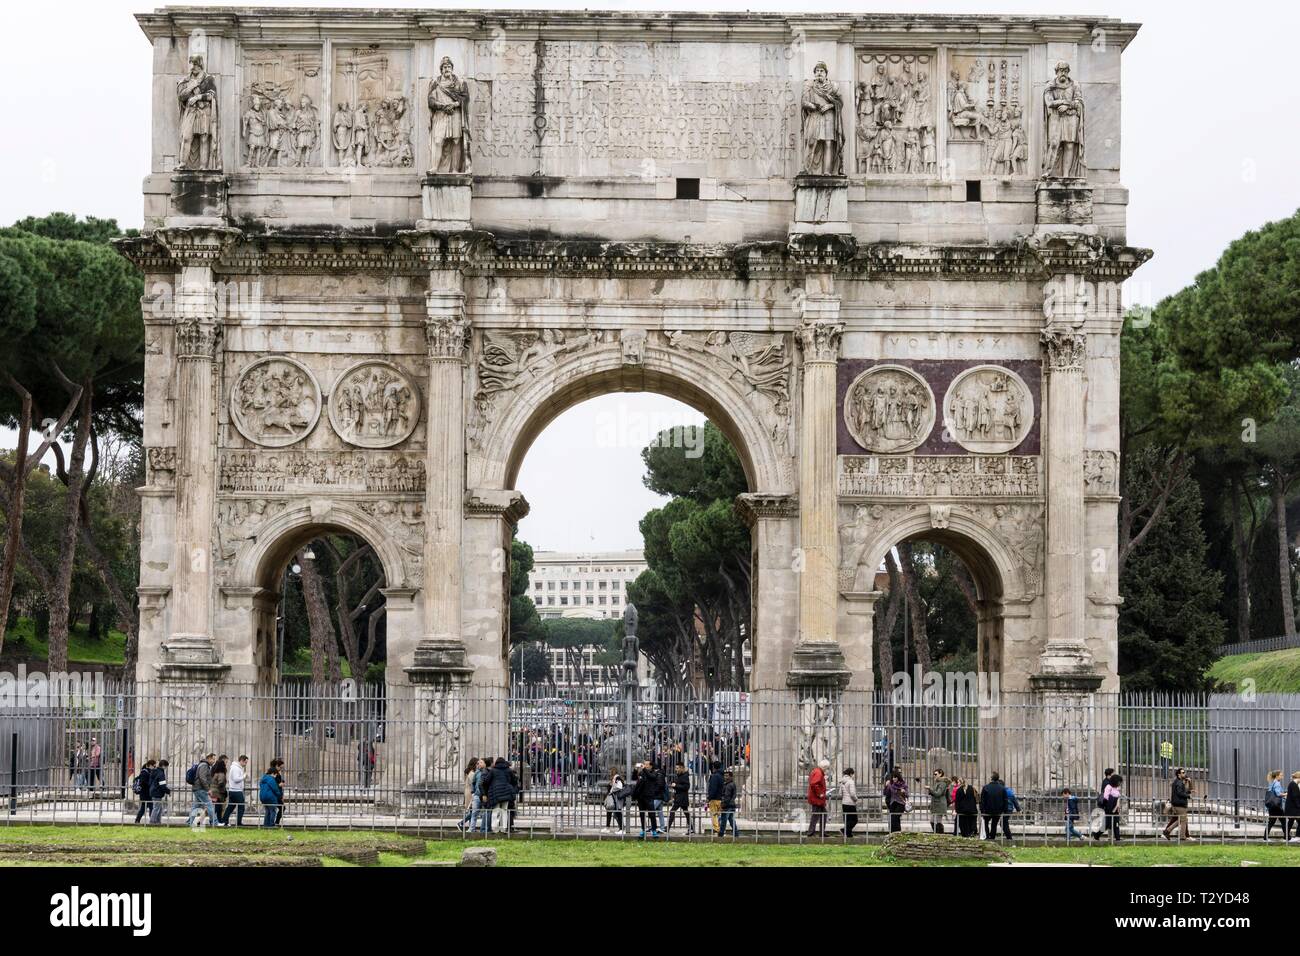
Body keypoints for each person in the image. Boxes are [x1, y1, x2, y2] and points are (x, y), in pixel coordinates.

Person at [185, 753, 218, 828]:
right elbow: (202, 778)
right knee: (209, 805)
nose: (214, 761)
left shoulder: (203, 765)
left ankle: (189, 822)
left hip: (197, 788)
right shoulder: (204, 765)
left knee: (195, 806)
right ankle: (214, 822)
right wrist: (208, 789)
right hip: (200, 789)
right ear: (208, 758)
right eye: (213, 759)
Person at [632, 759, 662, 839]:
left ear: (651, 766)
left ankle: (654, 830)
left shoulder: (654, 772)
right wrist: (635, 770)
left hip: (649, 796)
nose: (645, 765)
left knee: (652, 814)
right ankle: (643, 829)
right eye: (644, 764)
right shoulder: (642, 772)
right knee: (642, 814)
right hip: (641, 797)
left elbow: (651, 777)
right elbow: (634, 777)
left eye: (647, 764)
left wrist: (644, 769)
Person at [486, 756, 517, 833]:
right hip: (506, 792)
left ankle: (495, 828)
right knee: (504, 810)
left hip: (496, 793)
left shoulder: (493, 770)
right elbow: (514, 780)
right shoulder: (508, 770)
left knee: (496, 810)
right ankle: (503, 828)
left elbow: (486, 781)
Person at [1161, 767, 1191, 841]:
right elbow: (1180, 793)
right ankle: (1182, 837)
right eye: (1183, 773)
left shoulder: (1178, 782)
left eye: (1184, 772)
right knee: (1183, 820)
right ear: (1179, 774)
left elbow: (1183, 791)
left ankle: (1167, 831)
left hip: (1177, 804)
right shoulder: (1179, 782)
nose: (1184, 774)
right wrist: (1187, 796)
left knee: (1181, 819)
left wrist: (1188, 785)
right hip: (1180, 805)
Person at [805, 759, 830, 837]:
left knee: (822, 814)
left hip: (817, 798)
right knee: (815, 816)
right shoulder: (819, 773)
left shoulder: (817, 771)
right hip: (817, 799)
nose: (827, 770)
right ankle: (811, 832)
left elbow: (815, 783)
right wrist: (820, 794)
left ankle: (821, 832)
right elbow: (814, 784)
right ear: (824, 767)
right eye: (827, 768)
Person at [979, 771, 1007, 840]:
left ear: (991, 778)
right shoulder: (1002, 788)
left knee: (985, 823)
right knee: (994, 825)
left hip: (987, 810)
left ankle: (987, 836)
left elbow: (982, 800)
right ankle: (992, 837)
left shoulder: (986, 787)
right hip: (998, 811)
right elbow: (1005, 800)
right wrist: (1004, 810)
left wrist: (982, 810)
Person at [1094, 773, 1122, 841]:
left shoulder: (1117, 788)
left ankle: (1118, 838)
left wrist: (1117, 804)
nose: (1120, 783)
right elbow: (1106, 796)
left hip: (1116, 808)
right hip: (1109, 807)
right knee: (1107, 824)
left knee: (1116, 823)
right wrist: (1114, 798)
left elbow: (1118, 796)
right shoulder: (1108, 787)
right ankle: (1096, 834)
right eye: (1119, 782)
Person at [222, 755, 248, 827]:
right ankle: (238, 822)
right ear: (241, 761)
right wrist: (244, 776)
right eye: (245, 762)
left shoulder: (236, 768)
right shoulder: (236, 768)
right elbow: (236, 779)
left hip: (233, 790)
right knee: (241, 807)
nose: (246, 764)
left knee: (230, 807)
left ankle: (224, 820)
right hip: (236, 791)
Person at [667, 764, 692, 833]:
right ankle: (691, 828)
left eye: (677, 768)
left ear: (682, 768)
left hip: (681, 797)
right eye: (676, 768)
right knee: (686, 812)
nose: (676, 769)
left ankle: (667, 828)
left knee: (672, 811)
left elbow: (686, 787)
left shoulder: (685, 776)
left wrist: (676, 785)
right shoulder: (681, 776)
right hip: (680, 797)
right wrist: (674, 785)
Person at [259, 762, 283, 828]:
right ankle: (271, 824)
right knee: (273, 811)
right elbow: (275, 789)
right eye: (275, 775)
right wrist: (279, 796)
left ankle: (266, 824)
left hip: (263, 797)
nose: (275, 777)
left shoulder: (263, 778)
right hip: (270, 797)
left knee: (267, 811)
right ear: (273, 773)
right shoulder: (271, 779)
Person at [457, 757, 478, 831]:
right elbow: (474, 784)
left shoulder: (469, 772)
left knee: (472, 810)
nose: (478, 765)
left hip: (467, 792)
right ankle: (461, 823)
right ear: (474, 764)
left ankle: (471, 827)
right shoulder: (472, 773)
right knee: (473, 810)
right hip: (470, 793)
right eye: (477, 764)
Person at [133, 760, 157, 824]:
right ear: (150, 765)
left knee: (146, 808)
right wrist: (150, 784)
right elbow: (143, 782)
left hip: (147, 793)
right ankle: (150, 821)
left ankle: (138, 820)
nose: (154, 767)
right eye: (153, 766)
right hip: (145, 794)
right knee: (147, 807)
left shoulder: (148, 772)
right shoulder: (144, 772)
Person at [927, 768, 950, 835]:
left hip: (940, 805)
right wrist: (930, 791)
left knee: (937, 822)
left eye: (935, 774)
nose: (934, 775)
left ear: (940, 774)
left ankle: (940, 835)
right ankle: (937, 834)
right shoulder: (938, 782)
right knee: (932, 821)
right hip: (936, 804)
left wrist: (929, 789)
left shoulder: (942, 783)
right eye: (934, 774)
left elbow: (938, 793)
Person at [1265, 770, 1286, 840]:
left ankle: (1265, 838)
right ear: (1277, 776)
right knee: (1284, 821)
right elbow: (1278, 794)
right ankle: (1287, 838)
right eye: (1281, 775)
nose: (1282, 777)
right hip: (1276, 806)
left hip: (1272, 806)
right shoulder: (1277, 783)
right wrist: (1286, 794)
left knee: (1271, 822)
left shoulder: (1272, 783)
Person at [148, 760, 170, 824]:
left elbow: (150, 783)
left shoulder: (155, 771)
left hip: (153, 791)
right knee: (156, 808)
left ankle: (158, 822)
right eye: (166, 767)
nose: (166, 768)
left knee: (159, 808)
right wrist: (168, 791)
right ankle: (152, 821)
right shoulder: (161, 773)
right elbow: (162, 785)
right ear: (163, 766)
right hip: (157, 792)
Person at [209, 756, 229, 828]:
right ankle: (218, 821)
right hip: (218, 793)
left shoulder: (214, 773)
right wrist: (224, 792)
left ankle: (213, 821)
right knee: (218, 808)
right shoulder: (221, 774)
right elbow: (221, 784)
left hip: (213, 792)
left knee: (215, 807)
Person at [706, 760, 725, 834]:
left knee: (714, 815)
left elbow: (713, 788)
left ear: (713, 767)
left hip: (714, 799)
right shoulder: (722, 775)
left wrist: (709, 797)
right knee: (719, 815)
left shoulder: (714, 776)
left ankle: (717, 829)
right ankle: (721, 828)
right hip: (721, 798)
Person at [719, 770, 740, 837]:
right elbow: (733, 795)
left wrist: (723, 805)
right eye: (725, 775)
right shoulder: (732, 784)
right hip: (731, 805)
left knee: (723, 821)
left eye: (727, 776)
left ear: (731, 777)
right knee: (731, 821)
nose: (725, 777)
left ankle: (721, 834)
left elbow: (726, 797)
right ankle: (736, 834)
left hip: (727, 806)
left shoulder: (728, 785)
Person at [840, 767, 858, 838]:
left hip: (844, 803)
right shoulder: (851, 781)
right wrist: (856, 799)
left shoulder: (842, 781)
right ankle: (844, 830)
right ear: (851, 774)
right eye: (853, 774)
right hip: (850, 803)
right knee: (854, 820)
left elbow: (840, 794)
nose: (854, 776)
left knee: (847, 820)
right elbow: (852, 794)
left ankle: (849, 834)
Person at [1286, 771, 1300, 842]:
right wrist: (1299, 805)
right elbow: (1295, 797)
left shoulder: (1292, 784)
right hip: (1294, 808)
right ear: (1298, 777)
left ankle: (1286, 836)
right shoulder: (1294, 785)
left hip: (1291, 808)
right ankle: (1297, 836)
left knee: (1290, 822)